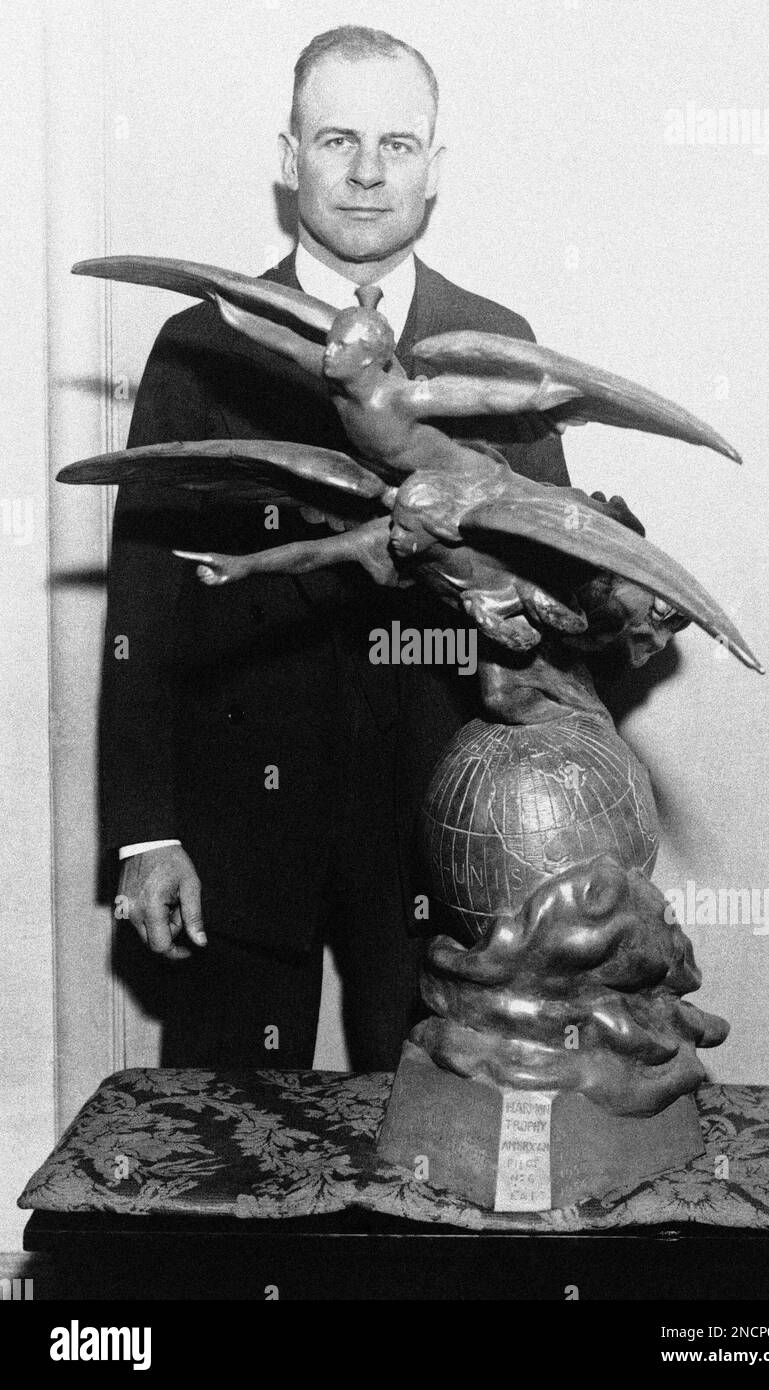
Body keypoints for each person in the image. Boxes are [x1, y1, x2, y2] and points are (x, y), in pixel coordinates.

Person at [104, 24, 569, 1070]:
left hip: (444, 830)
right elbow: (144, 605)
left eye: (396, 145)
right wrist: (144, 833)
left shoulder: (499, 348)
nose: (366, 172)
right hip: (234, 833)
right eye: (336, 140)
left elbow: (550, 602)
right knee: (224, 1166)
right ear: (288, 157)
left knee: (436, 1172)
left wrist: (539, 829)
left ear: (434, 168)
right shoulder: (201, 342)